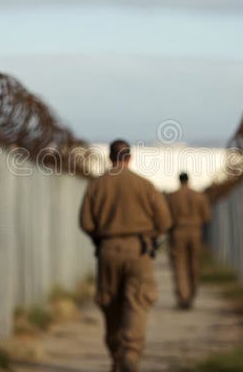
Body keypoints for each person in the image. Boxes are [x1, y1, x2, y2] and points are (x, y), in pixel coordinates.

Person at [79, 139, 172, 372]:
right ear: (130, 158)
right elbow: (165, 221)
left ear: (110, 158)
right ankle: (130, 352)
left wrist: (102, 236)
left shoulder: (96, 186)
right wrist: (151, 237)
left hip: (108, 250)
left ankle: (116, 353)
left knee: (110, 302)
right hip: (139, 250)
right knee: (137, 301)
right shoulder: (145, 185)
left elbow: (86, 222)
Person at [166, 172, 212, 309]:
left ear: (179, 181)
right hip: (195, 232)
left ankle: (183, 295)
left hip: (178, 232)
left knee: (179, 265)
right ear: (189, 180)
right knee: (194, 263)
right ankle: (192, 294)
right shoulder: (199, 196)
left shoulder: (173, 197)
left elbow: (166, 218)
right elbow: (207, 217)